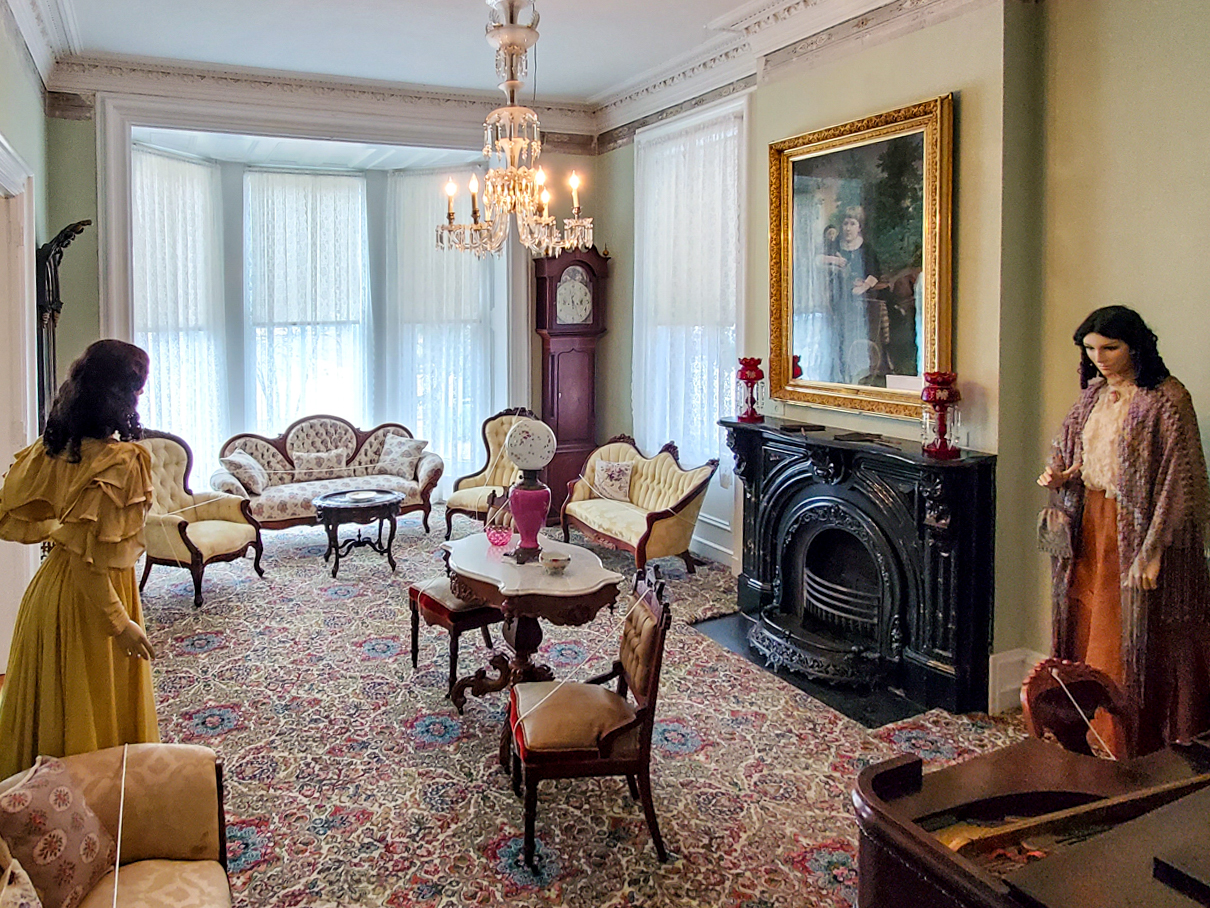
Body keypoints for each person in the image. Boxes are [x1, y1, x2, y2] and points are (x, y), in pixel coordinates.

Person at [1039, 305, 1210, 754]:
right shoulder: (1093, 394)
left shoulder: (1168, 400)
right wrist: (1063, 475)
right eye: (1091, 348)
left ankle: (1128, 743)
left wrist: (1153, 550)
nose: (1100, 357)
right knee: (1087, 621)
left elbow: (1182, 480)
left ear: (1137, 345)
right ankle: (1084, 730)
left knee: (1123, 634)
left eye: (1110, 347)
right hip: (1091, 526)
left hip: (1137, 533)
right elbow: (1080, 453)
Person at [0, 339, 159, 779]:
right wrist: (121, 624)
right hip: (96, 608)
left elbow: (9, 512)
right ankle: (99, 816)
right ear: (121, 395)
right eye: (138, 389)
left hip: (48, 597)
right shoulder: (123, 461)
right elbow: (93, 566)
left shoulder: (53, 447)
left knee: (52, 713)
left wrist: (61, 533)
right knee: (93, 719)